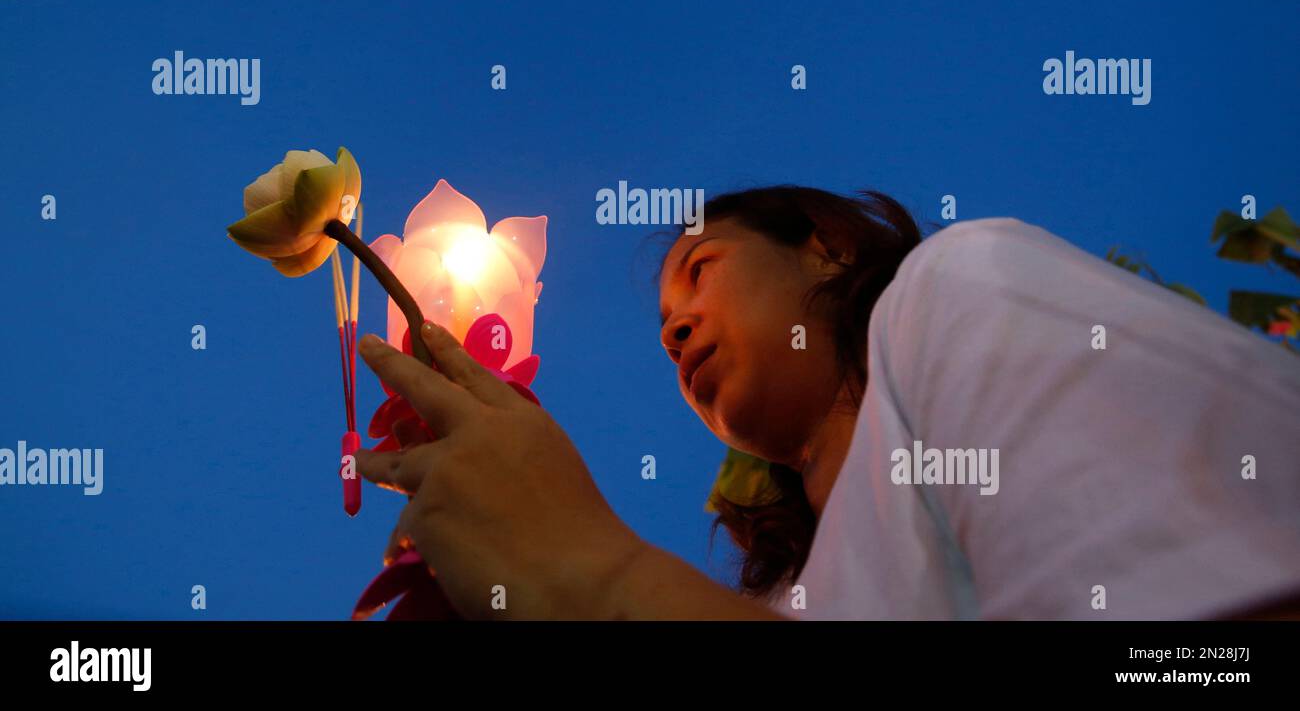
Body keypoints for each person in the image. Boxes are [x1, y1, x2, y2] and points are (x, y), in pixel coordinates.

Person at [355, 185, 1300, 620]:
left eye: (701, 271)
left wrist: (590, 568)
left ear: (826, 245)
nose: (676, 329)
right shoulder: (776, 598)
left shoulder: (956, 290)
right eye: (663, 331)